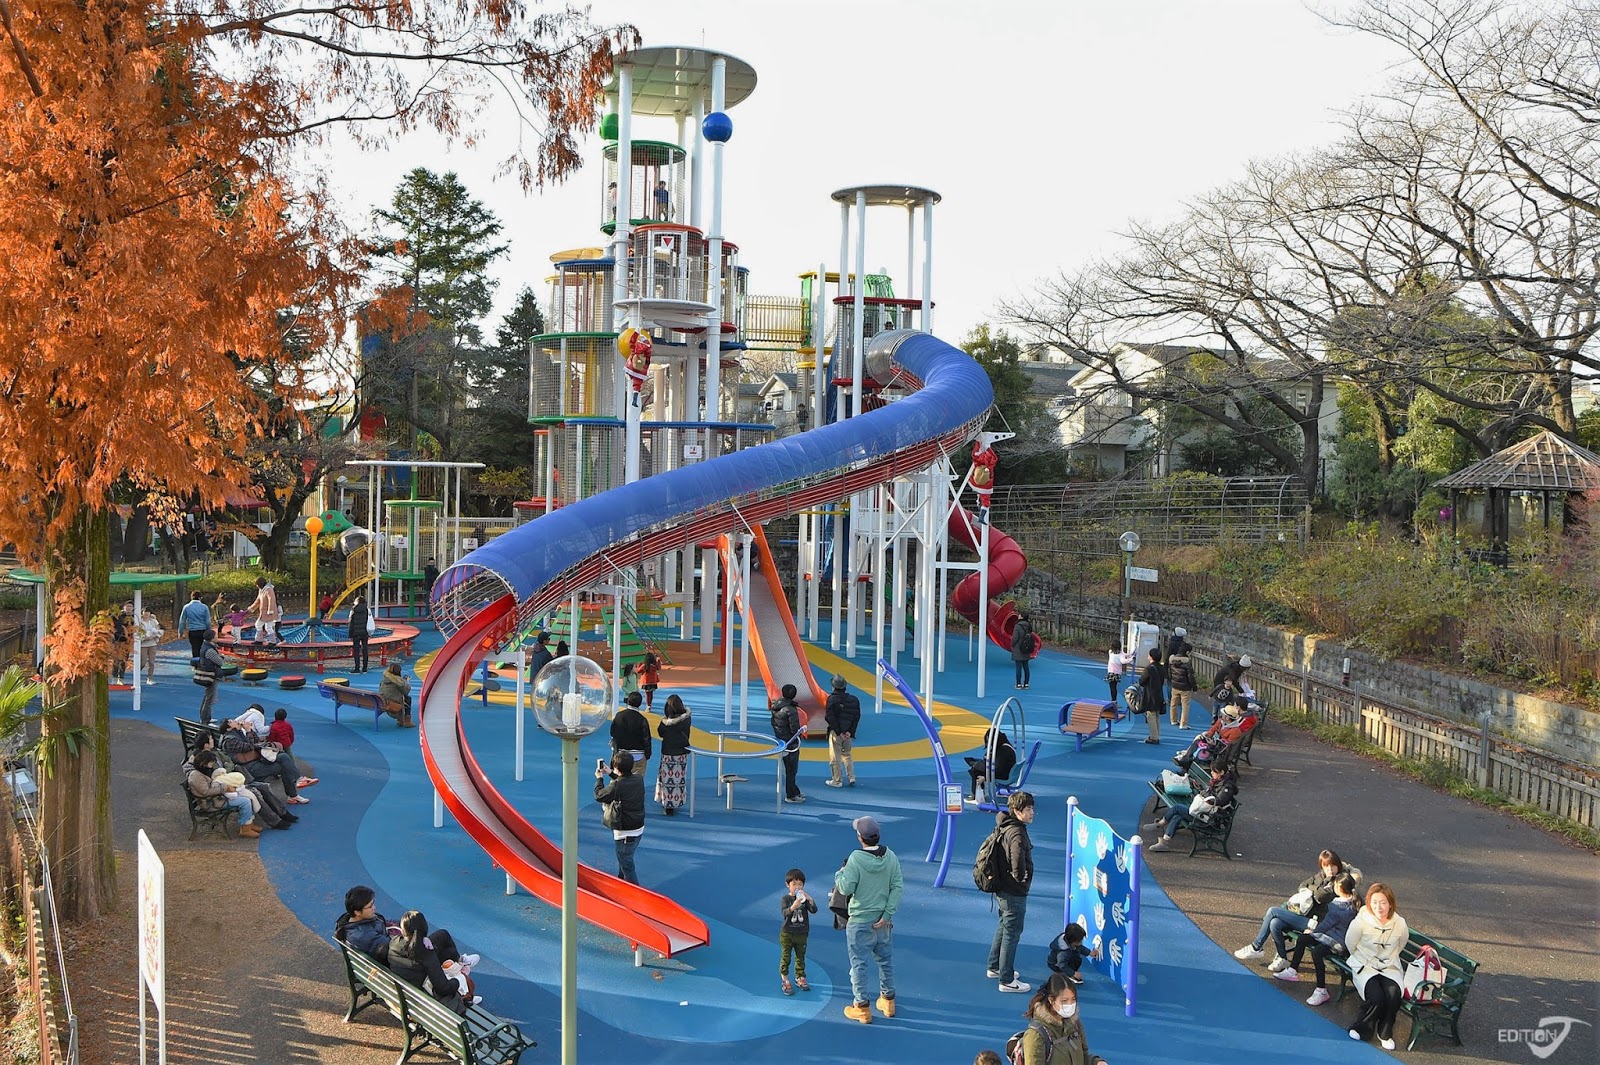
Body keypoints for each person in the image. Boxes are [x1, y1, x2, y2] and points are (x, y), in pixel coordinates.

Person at [1234, 849, 1358, 969]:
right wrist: (1313, 889)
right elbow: (1302, 885)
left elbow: (1320, 896)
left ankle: (1256, 947)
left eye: (1333, 866)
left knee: (1273, 911)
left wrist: (1311, 889)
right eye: (1326, 866)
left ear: (1338, 866)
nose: (1330, 870)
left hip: (1316, 923)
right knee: (1275, 922)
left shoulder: (1338, 883)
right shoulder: (1320, 876)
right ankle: (1282, 958)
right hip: (1305, 915)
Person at [835, 814, 902, 1023]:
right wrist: (887, 914)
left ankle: (862, 1007)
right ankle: (888, 1001)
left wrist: (840, 873)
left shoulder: (856, 858)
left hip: (859, 920)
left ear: (860, 837)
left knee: (859, 965)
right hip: (883, 922)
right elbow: (897, 886)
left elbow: (845, 887)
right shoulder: (890, 856)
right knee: (885, 962)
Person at [1345, 883, 1410, 1051]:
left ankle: (1385, 1031)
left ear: (1390, 904)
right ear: (1368, 902)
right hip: (1365, 965)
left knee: (1394, 994)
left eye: (1383, 902)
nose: (1378, 907)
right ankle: (1362, 1028)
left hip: (1389, 966)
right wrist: (1366, 958)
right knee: (1376, 997)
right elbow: (1350, 944)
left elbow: (1401, 944)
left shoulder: (1400, 923)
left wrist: (1386, 959)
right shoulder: (1360, 921)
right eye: (1374, 902)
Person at [987, 791, 1036, 994]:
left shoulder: (1005, 825)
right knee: (1012, 932)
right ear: (1017, 811)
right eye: (1028, 809)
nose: (1032, 812)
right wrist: (1020, 877)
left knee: (1003, 925)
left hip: (1002, 889)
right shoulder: (1017, 833)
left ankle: (995, 966)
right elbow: (1017, 858)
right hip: (1013, 891)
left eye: (1032, 808)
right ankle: (1006, 979)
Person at [1284, 873, 1361, 1001]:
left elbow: (1326, 924)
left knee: (1317, 952)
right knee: (1303, 939)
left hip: (1337, 942)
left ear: (1340, 887)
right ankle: (1292, 969)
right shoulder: (1353, 902)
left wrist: (1312, 931)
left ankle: (1321, 989)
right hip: (1331, 936)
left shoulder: (1339, 906)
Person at [387, 910, 481, 1012]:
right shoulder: (427, 954)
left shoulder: (394, 942)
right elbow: (443, 988)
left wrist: (423, 940)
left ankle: (460, 962)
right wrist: (457, 981)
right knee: (461, 978)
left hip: (405, 990)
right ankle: (467, 997)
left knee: (447, 945)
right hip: (422, 998)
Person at [1014, 974, 1108, 1065]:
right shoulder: (1035, 1036)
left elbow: (1084, 1056)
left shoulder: (1075, 1023)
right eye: (1064, 1001)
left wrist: (1096, 1062)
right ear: (1051, 1000)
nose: (1070, 1004)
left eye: (1073, 999)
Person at [1143, 764, 1238, 852]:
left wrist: (1203, 794)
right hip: (1204, 811)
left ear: (1222, 772)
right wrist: (1204, 793)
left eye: (1214, 772)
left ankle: (1160, 824)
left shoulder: (1227, 787)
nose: (1212, 773)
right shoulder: (1219, 782)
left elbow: (1219, 800)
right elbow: (1210, 794)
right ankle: (1165, 841)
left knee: (1177, 808)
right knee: (1177, 816)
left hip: (1209, 818)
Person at [220, 716, 313, 804]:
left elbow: (255, 740)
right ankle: (294, 791)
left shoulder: (238, 733)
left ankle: (297, 783)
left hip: (255, 760)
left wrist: (249, 730)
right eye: (232, 721)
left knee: (283, 757)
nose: (236, 721)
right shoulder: (229, 741)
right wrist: (248, 731)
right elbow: (249, 747)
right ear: (228, 728)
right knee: (284, 766)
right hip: (248, 768)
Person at [595, 751, 646, 883]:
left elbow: (599, 795)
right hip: (638, 827)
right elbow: (623, 782)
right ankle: (621, 882)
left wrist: (599, 778)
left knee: (627, 864)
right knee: (624, 860)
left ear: (617, 768)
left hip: (624, 832)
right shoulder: (638, 779)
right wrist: (611, 773)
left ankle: (634, 893)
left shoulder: (617, 785)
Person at [184, 748, 260, 838]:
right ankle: (245, 828)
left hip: (216, 798)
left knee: (247, 795)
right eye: (211, 763)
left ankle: (249, 824)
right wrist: (225, 787)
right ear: (204, 763)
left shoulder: (201, 772)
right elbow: (205, 792)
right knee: (245, 801)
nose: (212, 766)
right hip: (212, 803)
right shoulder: (196, 776)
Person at [1172, 696, 1259, 770]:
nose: (1221, 715)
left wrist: (1214, 743)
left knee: (1198, 741)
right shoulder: (1227, 722)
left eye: (1223, 714)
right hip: (1221, 744)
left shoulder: (1235, 729)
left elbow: (1226, 745)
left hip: (1220, 750)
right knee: (1200, 739)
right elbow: (1214, 729)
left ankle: (1186, 759)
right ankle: (1186, 758)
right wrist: (1209, 735)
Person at [778, 868, 817, 995]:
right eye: (794, 884)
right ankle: (785, 979)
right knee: (786, 957)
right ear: (787, 885)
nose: (797, 887)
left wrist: (810, 899)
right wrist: (793, 906)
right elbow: (784, 912)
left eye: (800, 884)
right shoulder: (785, 898)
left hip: (802, 933)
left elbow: (814, 910)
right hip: (787, 933)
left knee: (800, 956)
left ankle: (800, 977)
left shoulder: (804, 899)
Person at [334, 885, 398, 963]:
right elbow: (394, 947)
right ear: (357, 912)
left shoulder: (349, 922)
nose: (374, 908)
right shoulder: (364, 936)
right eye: (370, 906)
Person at [655, 693, 690, 815]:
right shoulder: (686, 719)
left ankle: (667, 804)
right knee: (679, 778)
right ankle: (678, 800)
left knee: (666, 779)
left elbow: (660, 732)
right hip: (682, 752)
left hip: (668, 753)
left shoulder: (666, 723)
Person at [771, 684, 806, 804]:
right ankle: (790, 795)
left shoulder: (776, 706)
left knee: (788, 768)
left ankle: (794, 790)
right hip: (791, 743)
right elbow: (794, 728)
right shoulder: (791, 710)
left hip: (781, 741)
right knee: (791, 770)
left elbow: (774, 723)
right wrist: (799, 733)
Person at [824, 675, 860, 788]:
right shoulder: (854, 700)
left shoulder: (832, 700)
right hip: (848, 733)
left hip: (837, 733)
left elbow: (830, 717)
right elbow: (856, 717)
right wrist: (850, 732)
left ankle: (837, 780)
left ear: (833, 687)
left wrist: (839, 732)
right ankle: (851, 777)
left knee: (835, 756)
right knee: (847, 754)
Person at [965, 728, 1016, 805]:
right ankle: (978, 794)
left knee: (975, 770)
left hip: (1004, 775)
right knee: (977, 765)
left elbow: (998, 769)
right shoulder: (1005, 745)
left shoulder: (1003, 750)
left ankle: (976, 796)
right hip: (1008, 772)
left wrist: (986, 777)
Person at [611, 690, 652, 777]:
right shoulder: (642, 719)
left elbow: (612, 732)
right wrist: (647, 754)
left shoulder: (619, 716)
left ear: (628, 701)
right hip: (638, 756)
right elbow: (647, 739)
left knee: (617, 784)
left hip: (621, 755)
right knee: (636, 784)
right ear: (640, 704)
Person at [193, 629, 228, 726]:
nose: (217, 637)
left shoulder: (206, 646)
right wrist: (221, 657)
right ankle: (205, 720)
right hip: (210, 675)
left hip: (208, 674)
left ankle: (206, 717)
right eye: (216, 636)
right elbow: (220, 662)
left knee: (208, 697)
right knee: (209, 698)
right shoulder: (210, 650)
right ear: (212, 638)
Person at [1166, 641, 1197, 730]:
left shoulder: (1171, 660)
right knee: (1185, 705)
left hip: (1175, 684)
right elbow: (1190, 675)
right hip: (1185, 687)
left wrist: (1171, 680)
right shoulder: (1187, 662)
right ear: (1187, 652)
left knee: (1173, 703)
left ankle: (1173, 720)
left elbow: (1169, 672)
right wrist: (1194, 686)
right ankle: (1183, 723)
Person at [1137, 649, 1165, 744]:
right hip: (1159, 693)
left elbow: (1142, 681)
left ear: (1151, 657)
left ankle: (1154, 737)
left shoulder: (1149, 669)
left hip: (1150, 695)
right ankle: (1156, 734)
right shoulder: (1161, 668)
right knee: (1156, 715)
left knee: (1151, 716)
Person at [378, 661, 414, 727]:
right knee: (408, 698)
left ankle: (400, 720)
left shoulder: (384, 679)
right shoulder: (398, 682)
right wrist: (407, 682)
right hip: (393, 705)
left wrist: (401, 680)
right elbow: (406, 692)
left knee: (396, 695)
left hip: (383, 702)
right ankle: (407, 721)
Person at [179, 591, 213, 658]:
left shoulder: (186, 607)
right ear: (200, 598)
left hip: (192, 630)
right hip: (203, 630)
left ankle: (196, 663)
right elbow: (208, 621)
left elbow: (182, 621)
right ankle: (203, 662)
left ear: (191, 597)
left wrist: (180, 632)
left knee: (194, 647)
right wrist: (209, 630)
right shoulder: (204, 607)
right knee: (203, 647)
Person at [249, 576, 281, 643]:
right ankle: (259, 639)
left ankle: (273, 642)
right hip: (263, 612)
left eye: (257, 584)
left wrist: (270, 610)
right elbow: (258, 600)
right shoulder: (261, 590)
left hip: (269, 613)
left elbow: (271, 599)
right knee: (258, 624)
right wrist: (252, 608)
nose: (257, 586)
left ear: (260, 584)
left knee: (268, 627)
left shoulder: (269, 589)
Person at [137, 606, 163, 685]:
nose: (146, 614)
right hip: (143, 645)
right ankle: (137, 675)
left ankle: (150, 678)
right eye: (145, 612)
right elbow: (140, 634)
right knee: (143, 662)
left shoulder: (154, 621)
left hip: (152, 644)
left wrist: (154, 634)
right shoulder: (139, 622)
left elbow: (160, 630)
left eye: (148, 612)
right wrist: (148, 635)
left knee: (151, 662)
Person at [1010, 612, 1035, 690]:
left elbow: (1015, 638)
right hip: (1026, 647)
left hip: (1018, 648)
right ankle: (1026, 684)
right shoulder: (1029, 625)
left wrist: (1012, 645)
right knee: (1026, 667)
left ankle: (1018, 684)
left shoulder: (1017, 626)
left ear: (1021, 617)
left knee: (1018, 667)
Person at [348, 594, 371, 673]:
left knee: (356, 650)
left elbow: (351, 623)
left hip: (356, 632)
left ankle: (357, 668)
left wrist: (350, 634)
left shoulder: (353, 610)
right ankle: (365, 667)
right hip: (365, 632)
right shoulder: (367, 609)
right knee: (365, 649)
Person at [110, 602, 132, 684]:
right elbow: (110, 624)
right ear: (124, 607)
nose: (129, 608)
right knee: (116, 659)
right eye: (127, 606)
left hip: (127, 642)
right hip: (117, 640)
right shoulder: (116, 616)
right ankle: (114, 677)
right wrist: (112, 634)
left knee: (124, 660)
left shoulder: (134, 617)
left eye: (130, 606)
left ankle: (121, 678)